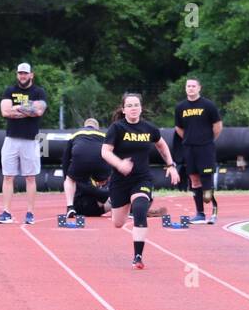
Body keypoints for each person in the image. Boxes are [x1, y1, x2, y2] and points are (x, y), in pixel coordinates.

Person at [101, 94, 180, 269]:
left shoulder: (149, 129)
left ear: (141, 108)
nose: (133, 108)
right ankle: (129, 202)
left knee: (139, 210)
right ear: (124, 110)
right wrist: (119, 164)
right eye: (129, 105)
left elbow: (161, 145)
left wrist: (171, 165)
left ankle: (138, 256)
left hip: (142, 178)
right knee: (118, 223)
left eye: (136, 105)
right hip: (120, 181)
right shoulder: (117, 128)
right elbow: (105, 152)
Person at [0, 62, 47, 224]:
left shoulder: (39, 92)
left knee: (30, 177)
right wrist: (27, 110)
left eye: (25, 73)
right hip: (11, 139)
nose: (22, 76)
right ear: (17, 74)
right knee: (8, 176)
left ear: (31, 74)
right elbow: (5, 112)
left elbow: (38, 111)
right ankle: (6, 212)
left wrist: (16, 109)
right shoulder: (9, 91)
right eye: (20, 73)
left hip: (31, 140)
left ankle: (30, 213)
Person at [173, 77, 223, 224]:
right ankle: (200, 213)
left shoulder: (208, 105)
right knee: (194, 180)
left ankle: (213, 211)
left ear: (199, 88)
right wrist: (189, 139)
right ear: (185, 88)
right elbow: (178, 128)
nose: (191, 88)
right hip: (189, 148)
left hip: (205, 147)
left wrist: (207, 139)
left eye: (193, 86)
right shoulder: (180, 107)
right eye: (188, 86)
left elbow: (218, 126)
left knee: (206, 181)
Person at [61, 118, 113, 218]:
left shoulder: (76, 134)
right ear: (97, 128)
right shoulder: (103, 134)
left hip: (80, 154)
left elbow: (65, 159)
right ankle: (119, 203)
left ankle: (69, 207)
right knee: (107, 181)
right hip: (100, 155)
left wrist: (67, 177)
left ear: (84, 126)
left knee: (70, 179)